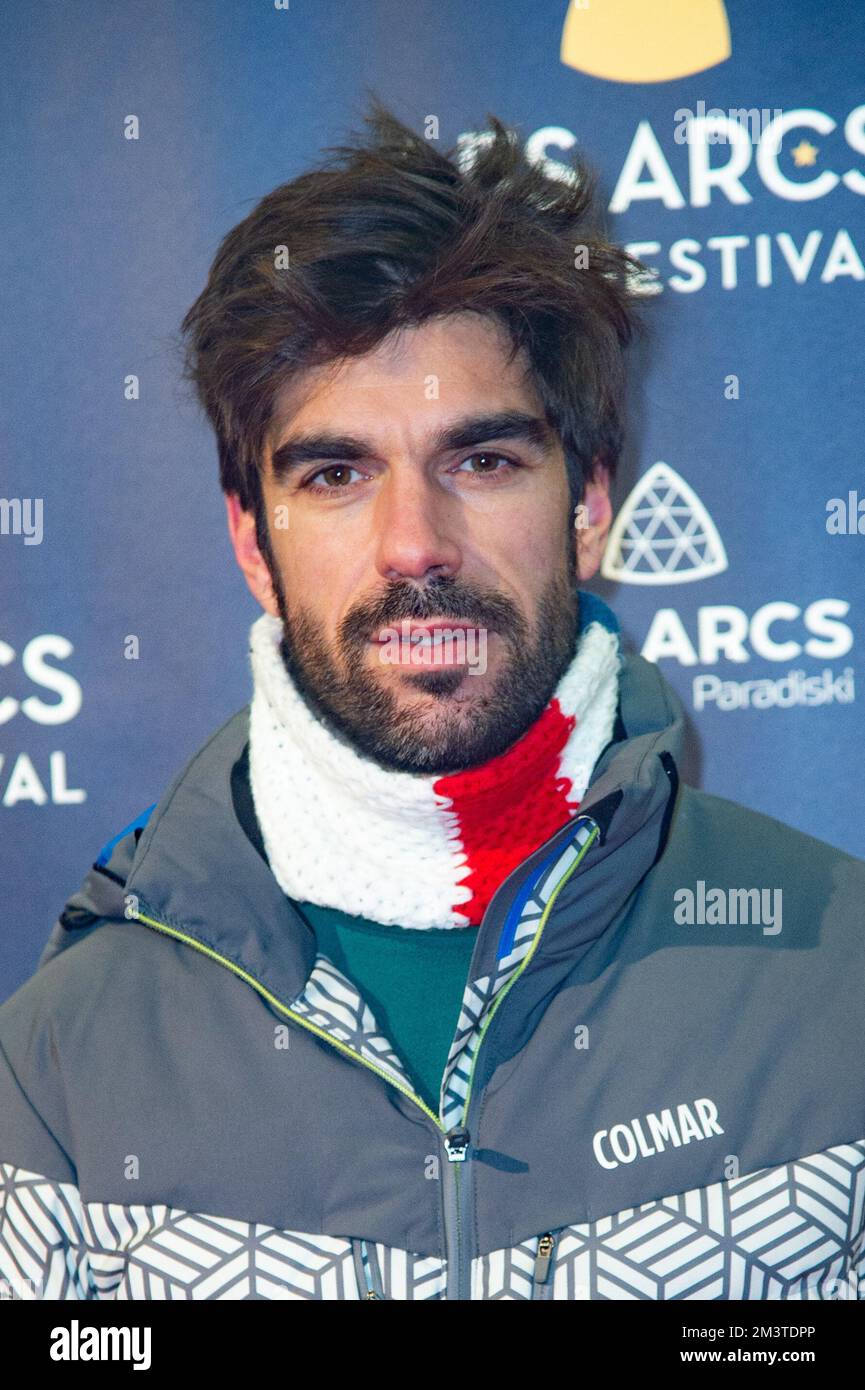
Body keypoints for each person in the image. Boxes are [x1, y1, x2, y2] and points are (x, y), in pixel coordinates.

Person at [1, 100, 863, 1302]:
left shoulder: (838, 975)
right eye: (337, 473)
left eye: (483, 460)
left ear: (590, 502)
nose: (416, 543)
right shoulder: (61, 1066)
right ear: (254, 541)